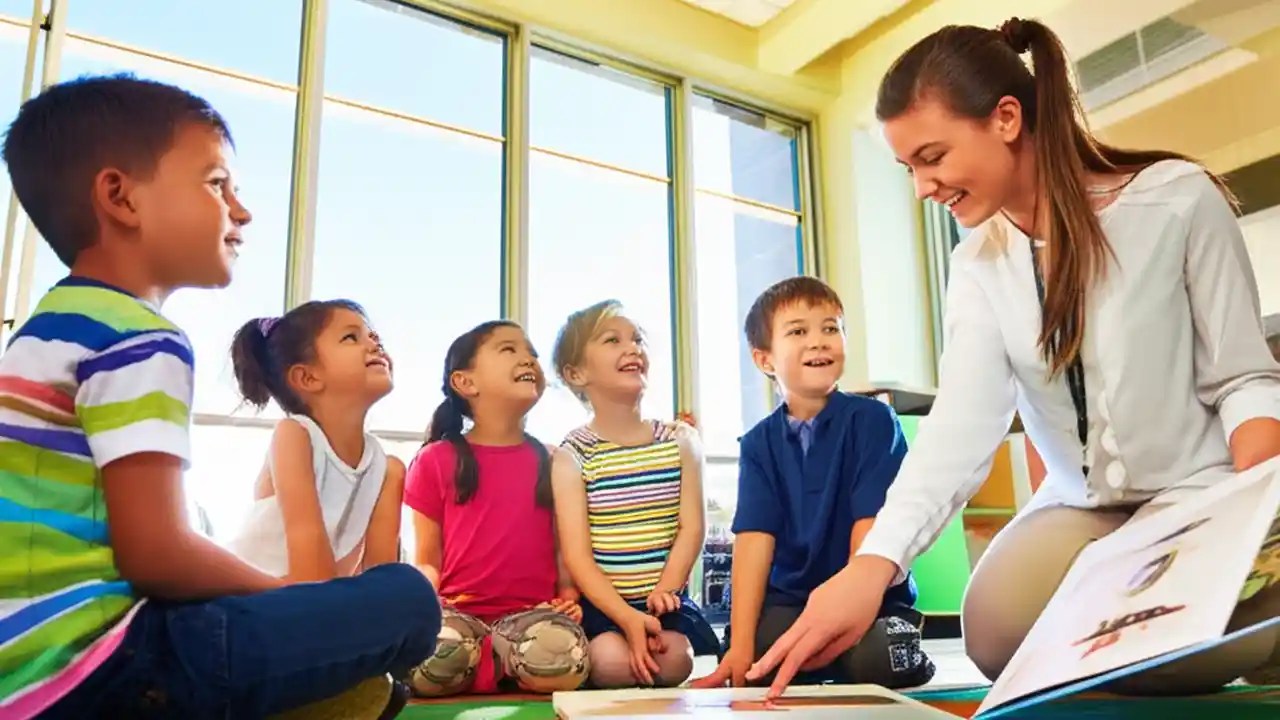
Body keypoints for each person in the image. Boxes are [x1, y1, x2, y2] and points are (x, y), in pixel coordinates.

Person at [748, 17, 1280, 698]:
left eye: (933, 157)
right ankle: (1141, 634)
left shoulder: (1175, 199)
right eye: (908, 167)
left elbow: (1244, 378)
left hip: (1194, 493)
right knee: (995, 633)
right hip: (1081, 506)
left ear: (1006, 118)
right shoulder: (976, 263)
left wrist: (1250, 517)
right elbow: (959, 430)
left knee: (1195, 636)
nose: (922, 187)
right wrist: (871, 566)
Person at [0, 74, 438, 720]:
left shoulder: (48, 330)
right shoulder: (141, 338)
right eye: (215, 183)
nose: (242, 208)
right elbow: (156, 553)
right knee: (407, 598)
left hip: (25, 680)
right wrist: (281, 595)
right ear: (120, 197)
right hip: (110, 670)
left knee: (355, 660)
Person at [692, 276, 935, 690]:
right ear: (764, 359)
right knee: (755, 663)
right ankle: (824, 662)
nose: (819, 341)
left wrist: (852, 611)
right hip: (790, 601)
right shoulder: (757, 444)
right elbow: (754, 541)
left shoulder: (873, 421)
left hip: (868, 600)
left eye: (831, 328)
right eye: (799, 331)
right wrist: (740, 645)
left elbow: (871, 530)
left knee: (877, 658)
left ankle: (853, 657)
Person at [403, 320, 590, 697]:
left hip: (532, 614)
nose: (528, 359)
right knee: (428, 665)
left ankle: (495, 656)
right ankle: (491, 658)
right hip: (457, 612)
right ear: (465, 382)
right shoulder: (434, 460)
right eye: (509, 350)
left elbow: (562, 547)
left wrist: (569, 596)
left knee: (566, 666)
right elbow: (428, 557)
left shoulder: (554, 460)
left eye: (532, 354)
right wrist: (424, 608)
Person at [549, 299, 720, 688]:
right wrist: (625, 617)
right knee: (608, 662)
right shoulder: (573, 453)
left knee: (677, 660)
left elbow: (692, 527)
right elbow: (577, 555)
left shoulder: (681, 440)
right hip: (606, 606)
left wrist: (667, 588)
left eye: (637, 339)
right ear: (575, 373)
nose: (633, 349)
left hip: (663, 602)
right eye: (613, 340)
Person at [226, 300, 404, 585]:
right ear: (307, 377)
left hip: (322, 601)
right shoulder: (296, 435)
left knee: (409, 587)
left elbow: (378, 578)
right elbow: (307, 557)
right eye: (351, 337)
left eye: (374, 337)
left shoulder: (388, 469)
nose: (374, 344)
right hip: (259, 600)